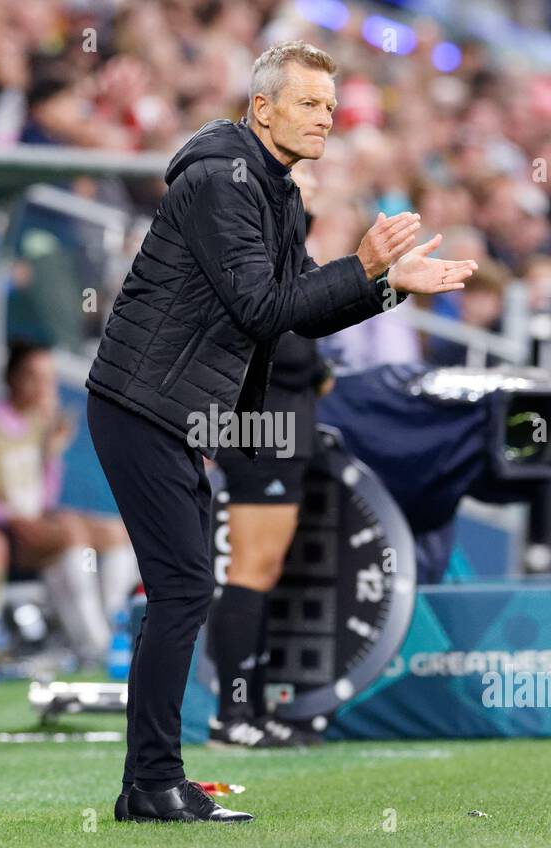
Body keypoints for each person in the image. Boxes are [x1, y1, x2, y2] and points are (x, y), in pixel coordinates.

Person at [85, 40, 476, 824]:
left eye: (331, 106)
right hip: (142, 403)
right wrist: (360, 264)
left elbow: (294, 307)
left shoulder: (274, 189)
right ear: (262, 108)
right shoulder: (221, 181)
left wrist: (384, 285)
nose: (325, 118)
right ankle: (151, 782)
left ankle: (150, 782)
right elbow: (262, 309)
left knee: (182, 588)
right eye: (309, 103)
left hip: (175, 410)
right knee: (185, 587)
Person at [206, 161, 328, 750]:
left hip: (283, 426)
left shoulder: (288, 262)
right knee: (249, 571)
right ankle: (233, 717)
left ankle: (250, 709)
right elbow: (283, 344)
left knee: (262, 571)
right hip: (261, 427)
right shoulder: (257, 264)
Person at [0, 342, 139, 665]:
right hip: (3, 529)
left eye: (48, 378)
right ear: (12, 379)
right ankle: (94, 642)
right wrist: (6, 515)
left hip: (35, 520)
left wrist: (52, 452)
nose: (43, 387)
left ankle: (112, 624)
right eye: (33, 377)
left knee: (118, 532)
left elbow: (45, 498)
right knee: (72, 536)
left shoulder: (41, 425)